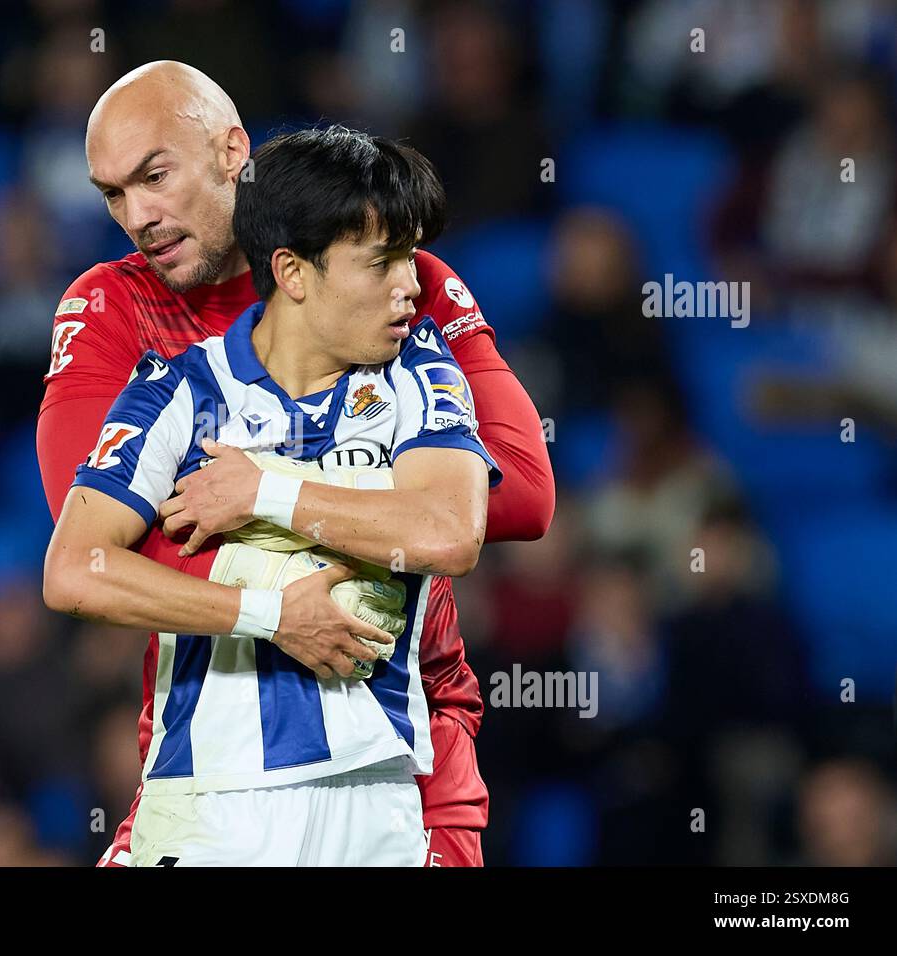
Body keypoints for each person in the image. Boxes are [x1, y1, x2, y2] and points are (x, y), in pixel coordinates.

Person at [36, 61, 555, 867]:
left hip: (402, 730)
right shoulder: (116, 310)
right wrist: (336, 547)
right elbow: (98, 548)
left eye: (155, 176)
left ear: (231, 151)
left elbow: (513, 498)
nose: (138, 214)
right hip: (212, 733)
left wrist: (263, 491)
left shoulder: (391, 283)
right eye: (113, 194)